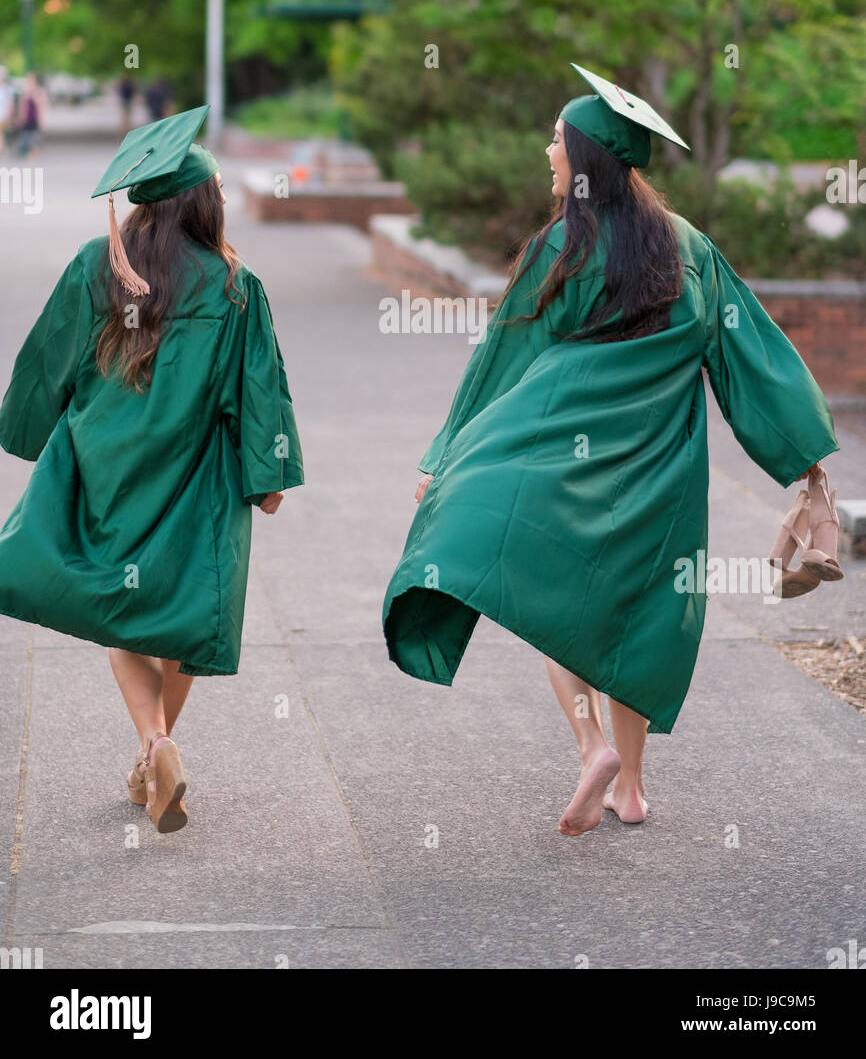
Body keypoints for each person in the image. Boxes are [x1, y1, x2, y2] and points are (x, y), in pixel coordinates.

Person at [382, 63, 840, 839]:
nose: (546, 150)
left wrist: (448, 453)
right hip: (658, 471)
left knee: (554, 600)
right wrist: (804, 457)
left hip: (564, 464)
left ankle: (590, 747)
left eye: (557, 140)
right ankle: (630, 790)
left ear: (586, 157)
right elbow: (749, 355)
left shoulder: (561, 248)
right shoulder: (687, 249)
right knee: (637, 616)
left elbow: (503, 362)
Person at [0, 106, 304, 834]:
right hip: (197, 476)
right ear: (200, 204)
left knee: (122, 606)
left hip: (109, 468)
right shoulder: (235, 286)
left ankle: (153, 747)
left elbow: (51, 360)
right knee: (180, 617)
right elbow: (259, 389)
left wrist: (28, 430)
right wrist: (269, 476)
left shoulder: (96, 265)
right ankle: (156, 746)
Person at [10, 70, 46, 159]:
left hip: (34, 117)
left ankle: (33, 153)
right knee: (25, 135)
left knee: (34, 135)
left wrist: (42, 118)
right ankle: (26, 151)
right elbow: (21, 105)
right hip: (26, 118)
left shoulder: (38, 91)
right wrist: (20, 116)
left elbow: (41, 105)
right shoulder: (24, 92)